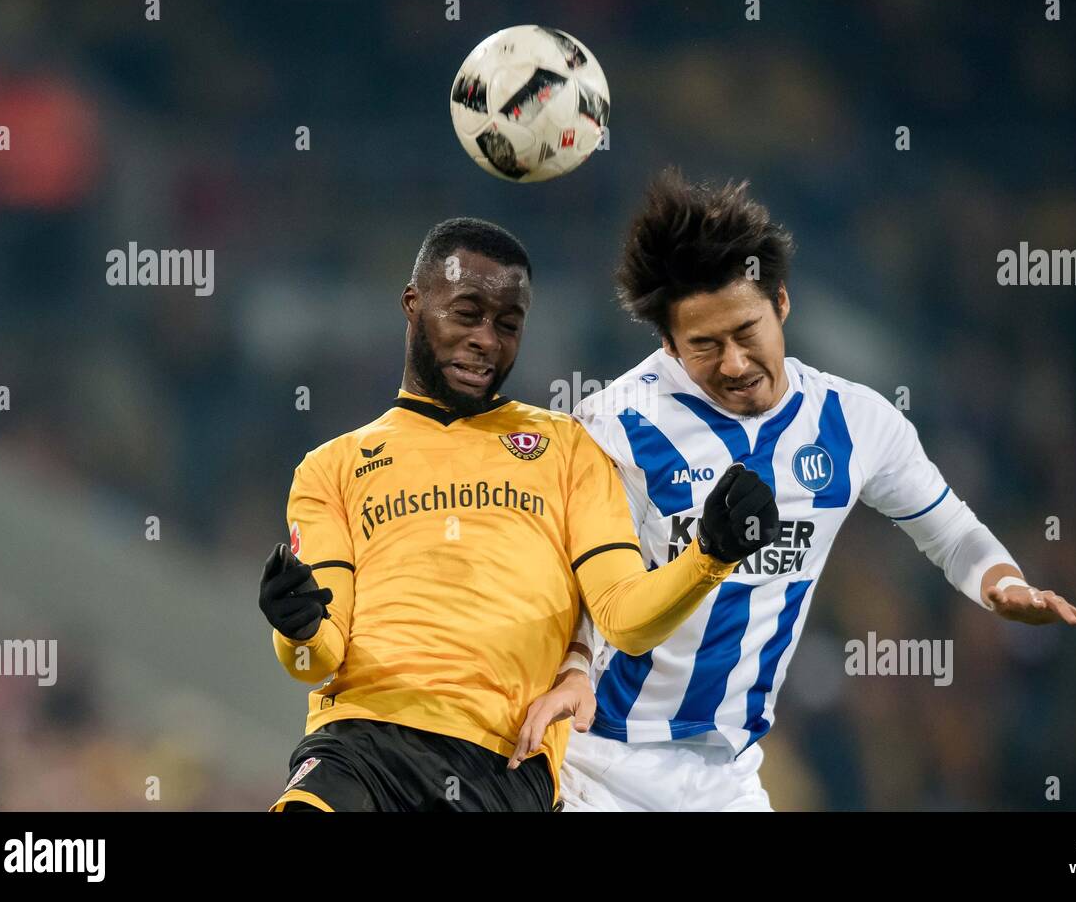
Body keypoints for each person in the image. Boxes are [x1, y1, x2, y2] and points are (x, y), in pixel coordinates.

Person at [509, 171, 1076, 811]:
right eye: (705, 346)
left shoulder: (856, 424)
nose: (735, 363)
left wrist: (1001, 581)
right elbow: (586, 583)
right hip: (598, 764)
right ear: (667, 344)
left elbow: (953, 533)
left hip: (729, 776)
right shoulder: (614, 425)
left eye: (746, 332)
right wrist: (574, 665)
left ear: (782, 303)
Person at [258, 216, 779, 811]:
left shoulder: (570, 448)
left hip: (502, 766)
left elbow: (624, 619)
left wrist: (709, 555)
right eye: (466, 313)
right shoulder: (331, 467)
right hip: (361, 740)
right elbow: (315, 658)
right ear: (413, 303)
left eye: (508, 325)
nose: (487, 339)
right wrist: (294, 626)